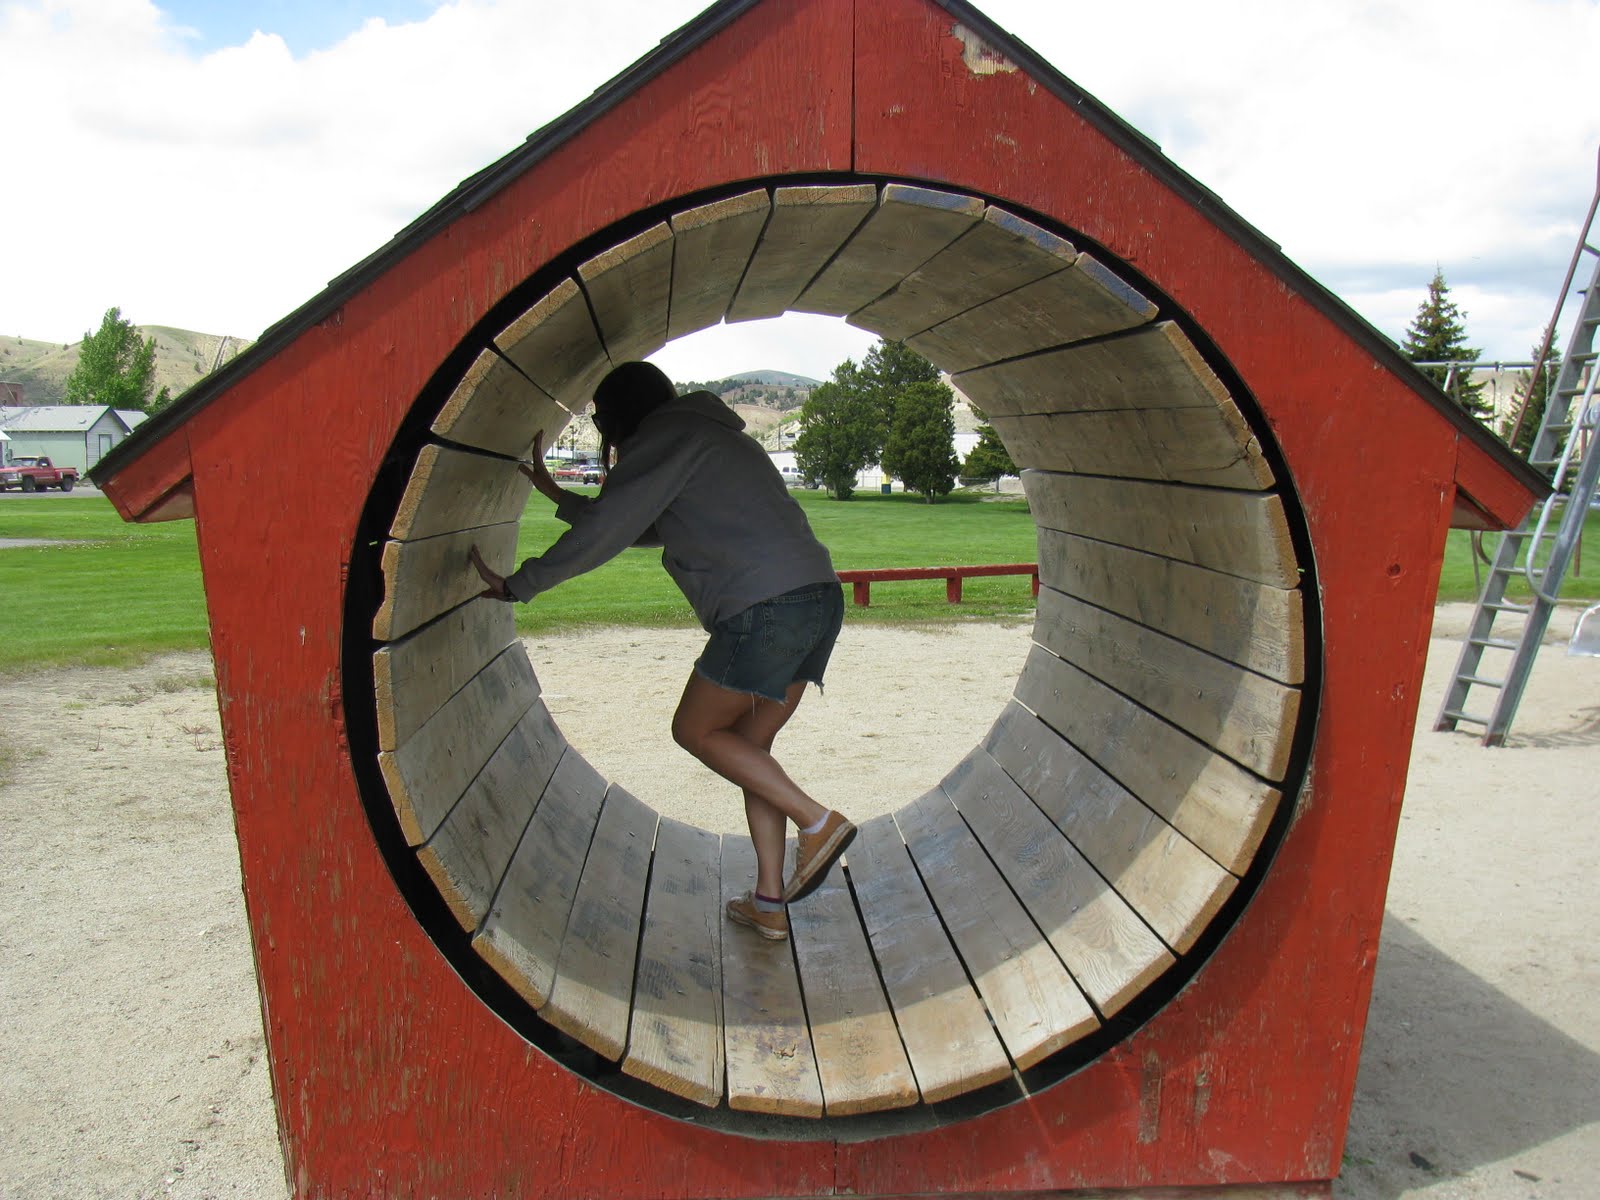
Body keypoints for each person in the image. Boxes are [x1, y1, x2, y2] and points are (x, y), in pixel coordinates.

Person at [468, 361, 854, 942]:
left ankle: (818, 824)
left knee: (694, 731)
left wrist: (518, 584)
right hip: (818, 599)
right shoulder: (706, 433)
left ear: (621, 412)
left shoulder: (664, 438)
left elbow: (606, 534)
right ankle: (769, 901)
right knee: (749, 750)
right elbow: (647, 525)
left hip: (765, 606)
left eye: (602, 419)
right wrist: (559, 496)